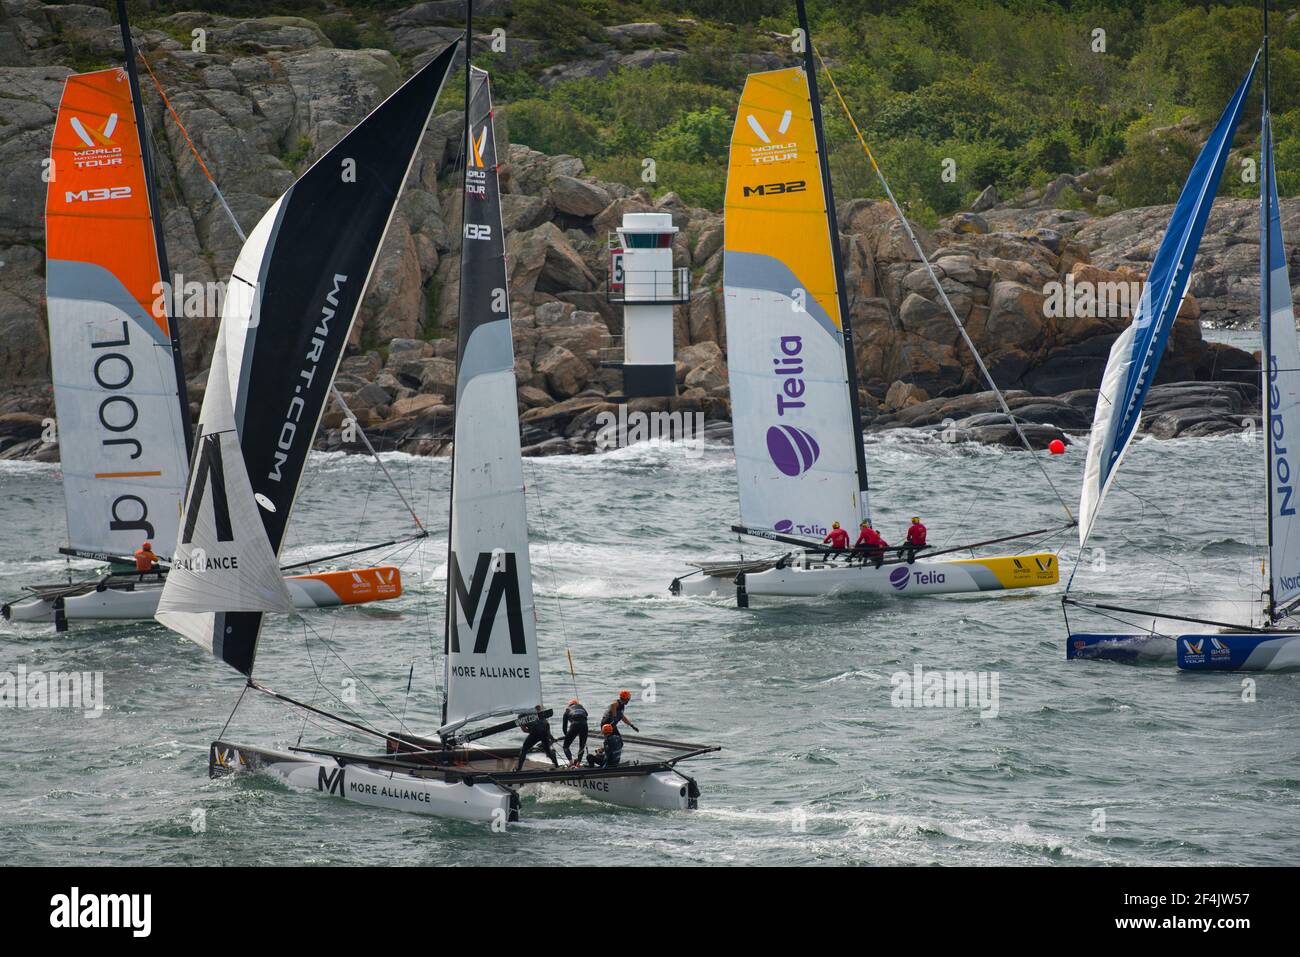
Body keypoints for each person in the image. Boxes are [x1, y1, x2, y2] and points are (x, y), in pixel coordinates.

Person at [514, 704, 559, 771]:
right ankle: (557, 765)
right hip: (545, 731)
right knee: (548, 750)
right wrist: (550, 737)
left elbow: (524, 730)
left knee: (524, 750)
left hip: (535, 732)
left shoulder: (520, 716)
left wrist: (532, 731)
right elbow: (546, 724)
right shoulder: (539, 712)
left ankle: (518, 769)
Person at [562, 697, 589, 766]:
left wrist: (567, 736)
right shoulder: (582, 708)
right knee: (582, 746)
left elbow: (564, 727)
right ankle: (578, 763)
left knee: (565, 746)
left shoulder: (567, 710)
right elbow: (586, 715)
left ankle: (571, 763)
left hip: (575, 724)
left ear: (569, 705)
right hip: (584, 725)